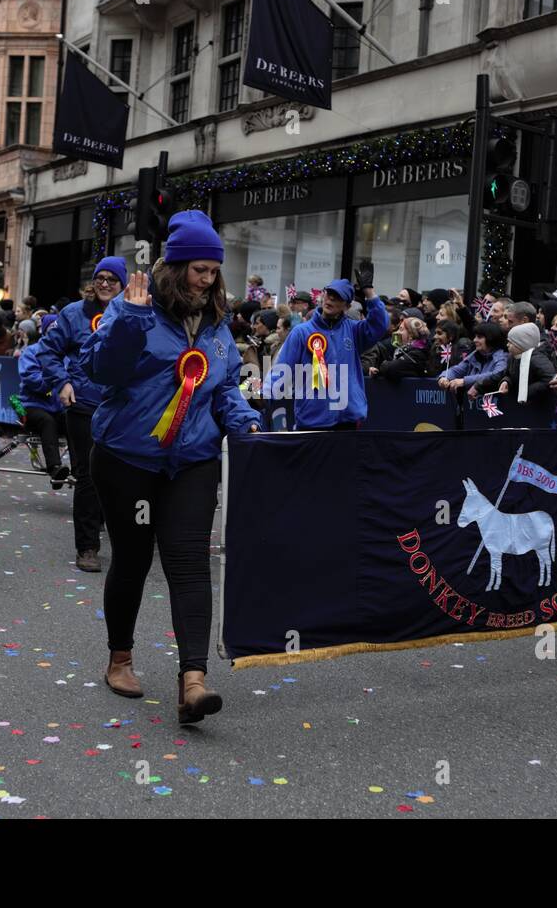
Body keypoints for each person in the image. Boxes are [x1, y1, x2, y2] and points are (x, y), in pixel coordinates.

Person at [78, 210, 261, 724]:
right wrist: (131, 320)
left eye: (213, 270)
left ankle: (194, 682)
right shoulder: (131, 307)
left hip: (192, 462)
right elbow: (103, 372)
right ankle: (120, 659)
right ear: (175, 268)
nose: (208, 279)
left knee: (188, 562)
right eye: (199, 269)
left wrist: (243, 421)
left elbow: (223, 388)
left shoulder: (219, 326)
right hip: (128, 460)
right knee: (133, 558)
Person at [35, 255, 127, 572]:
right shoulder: (74, 314)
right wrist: (61, 382)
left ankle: (109, 524)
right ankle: (87, 547)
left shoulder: (135, 313)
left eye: (111, 280)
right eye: (100, 278)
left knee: (119, 475)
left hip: (122, 407)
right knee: (88, 475)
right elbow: (47, 351)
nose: (104, 284)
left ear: (122, 285)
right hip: (83, 405)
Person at [268, 273, 388, 431]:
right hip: (313, 420)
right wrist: (261, 394)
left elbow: (380, 325)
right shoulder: (301, 332)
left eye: (337, 297)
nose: (330, 299)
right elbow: (281, 370)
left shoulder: (354, 330)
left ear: (347, 306)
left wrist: (369, 293)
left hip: (348, 419)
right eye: (329, 294)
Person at [17, 340, 68, 487]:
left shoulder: (66, 355)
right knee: (47, 421)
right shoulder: (31, 352)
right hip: (30, 406)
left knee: (73, 419)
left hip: (58, 408)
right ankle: (55, 468)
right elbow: (32, 379)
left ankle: (81, 468)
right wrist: (58, 382)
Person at [475, 322, 557, 404]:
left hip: (539, 404)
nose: (507, 345)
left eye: (511, 342)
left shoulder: (537, 359)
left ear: (521, 344)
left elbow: (550, 378)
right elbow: (508, 374)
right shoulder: (513, 357)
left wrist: (526, 391)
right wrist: (506, 381)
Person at [437, 321, 508, 393]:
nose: (474, 340)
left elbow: (496, 374)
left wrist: (464, 381)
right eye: (475, 337)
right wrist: (444, 378)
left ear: (491, 338)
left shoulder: (502, 357)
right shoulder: (474, 355)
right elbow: (456, 370)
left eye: (479, 337)